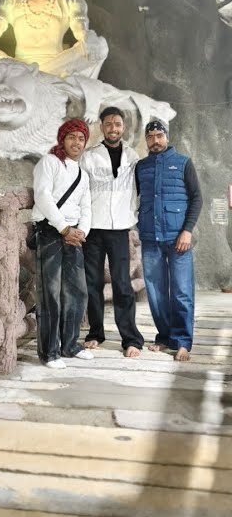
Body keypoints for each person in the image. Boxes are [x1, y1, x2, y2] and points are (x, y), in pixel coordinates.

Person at [79, 106, 145, 358]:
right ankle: (95, 333)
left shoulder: (133, 157)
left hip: (120, 228)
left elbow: (139, 191)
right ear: (101, 127)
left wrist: (134, 214)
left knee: (122, 283)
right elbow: (81, 191)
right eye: (108, 124)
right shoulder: (89, 156)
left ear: (123, 127)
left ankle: (131, 338)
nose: (113, 128)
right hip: (93, 228)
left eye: (117, 124)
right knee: (92, 283)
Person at [135, 119, 202, 362]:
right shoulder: (141, 167)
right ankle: (164, 337)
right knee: (156, 292)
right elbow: (136, 198)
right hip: (150, 238)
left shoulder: (183, 163)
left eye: (159, 135)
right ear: (146, 139)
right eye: (150, 136)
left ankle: (183, 342)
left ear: (167, 137)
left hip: (178, 239)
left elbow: (196, 199)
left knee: (182, 291)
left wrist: (187, 230)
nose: (155, 140)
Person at [32, 118, 94, 369]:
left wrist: (81, 231)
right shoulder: (49, 162)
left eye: (81, 138)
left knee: (77, 291)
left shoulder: (82, 173)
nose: (76, 142)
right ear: (62, 139)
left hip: (74, 235)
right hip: (50, 230)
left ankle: (70, 345)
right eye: (72, 137)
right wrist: (64, 228)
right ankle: (50, 352)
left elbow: (86, 206)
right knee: (50, 294)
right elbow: (42, 196)